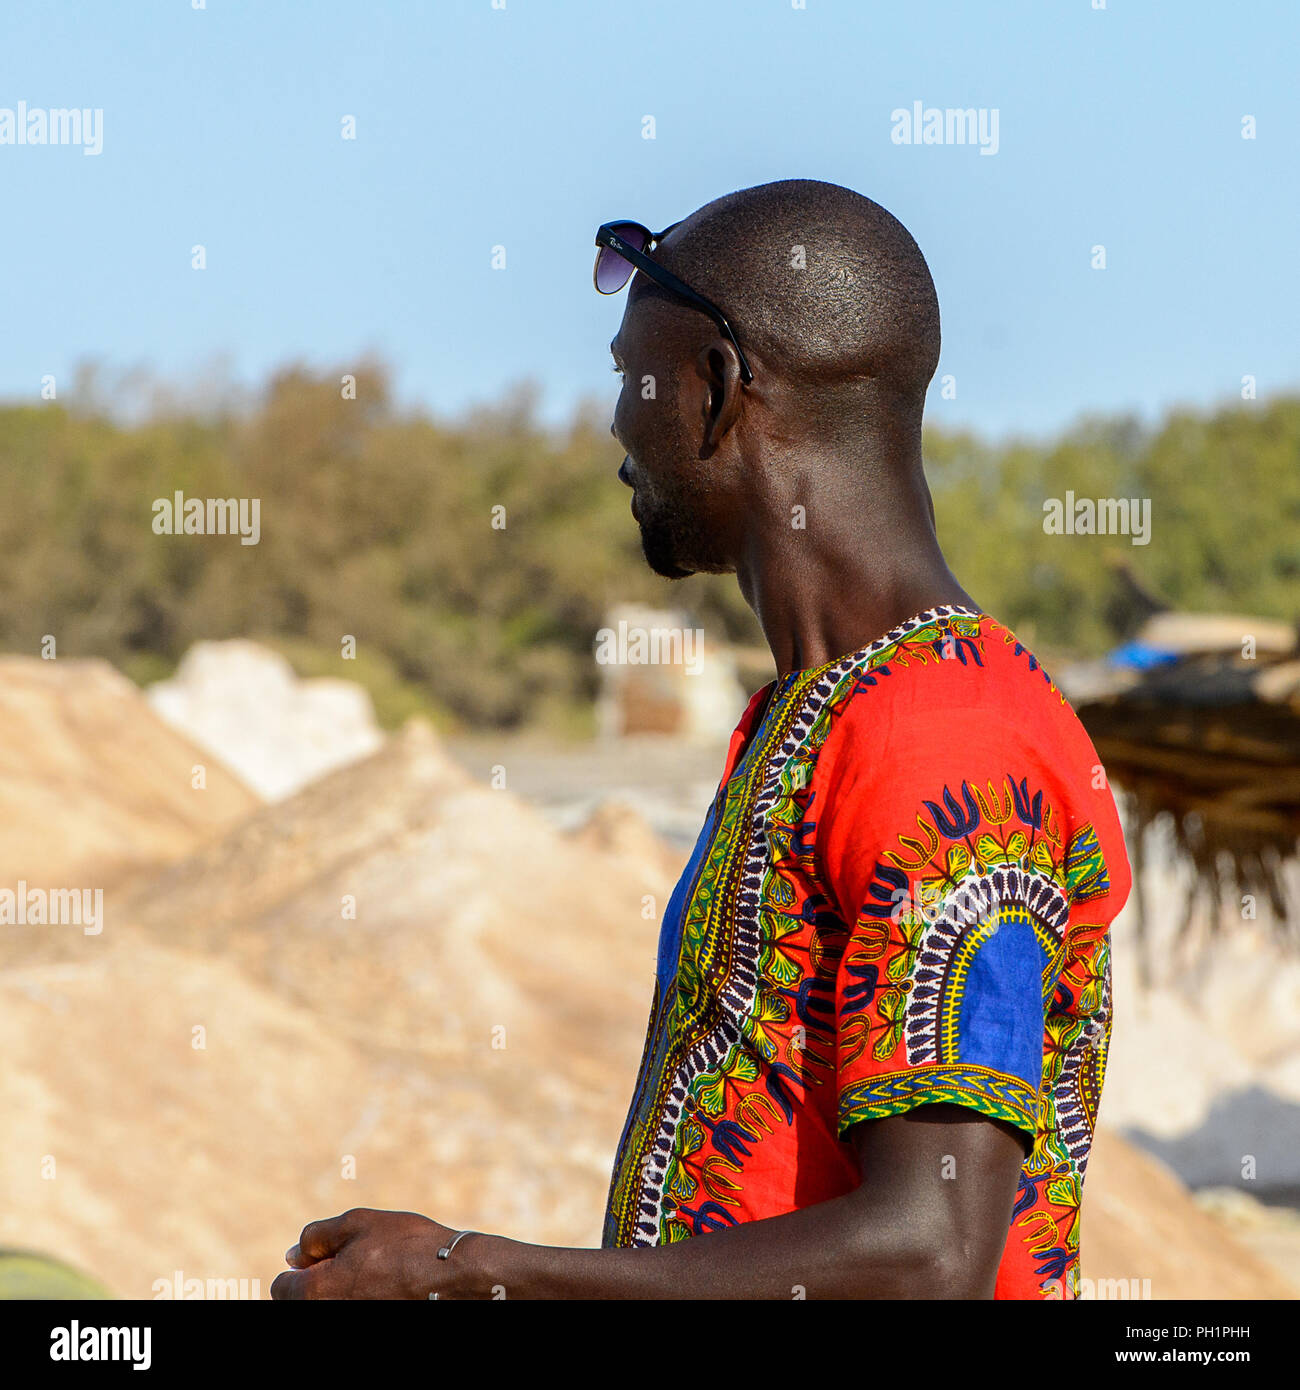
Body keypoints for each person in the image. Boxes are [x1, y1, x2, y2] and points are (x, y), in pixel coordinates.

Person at [271, 179, 1130, 1300]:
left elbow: (929, 1253)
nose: (616, 429)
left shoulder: (944, 736)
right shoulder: (815, 713)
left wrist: (477, 1273)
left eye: (631, 379)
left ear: (718, 386)